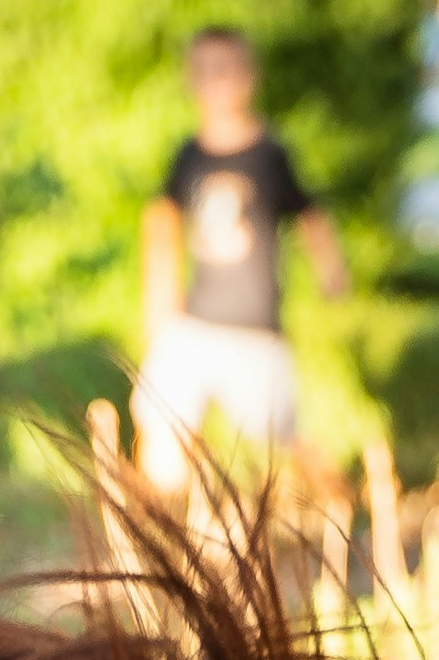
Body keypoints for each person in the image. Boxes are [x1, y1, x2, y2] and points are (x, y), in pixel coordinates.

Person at [136, 24, 345, 481]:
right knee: (158, 421)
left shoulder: (270, 155)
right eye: (206, 71)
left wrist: (331, 269)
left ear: (249, 77)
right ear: (192, 81)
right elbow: (162, 222)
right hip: (196, 322)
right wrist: (159, 301)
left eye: (227, 70)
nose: (217, 81)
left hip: (254, 328)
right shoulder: (188, 156)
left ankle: (342, 503)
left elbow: (310, 214)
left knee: (281, 439)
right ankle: (157, 525)